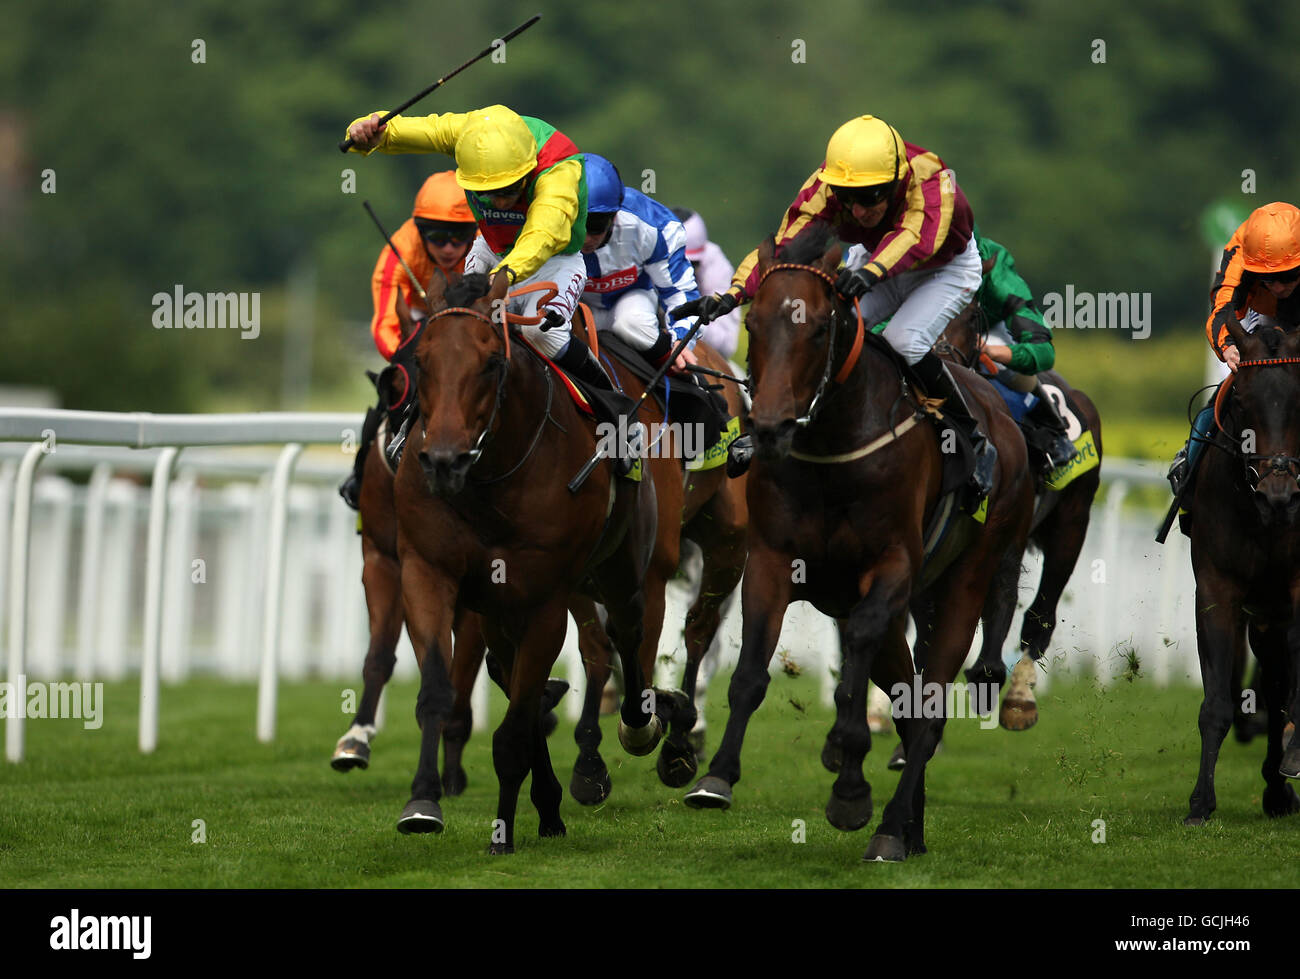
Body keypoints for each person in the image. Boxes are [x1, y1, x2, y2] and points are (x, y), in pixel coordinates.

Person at [685, 114, 992, 497]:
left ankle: (970, 435)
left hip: (944, 268)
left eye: (869, 197)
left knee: (902, 340)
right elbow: (782, 247)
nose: (858, 210)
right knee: (820, 328)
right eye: (848, 199)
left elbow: (918, 237)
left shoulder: (931, 178)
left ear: (896, 182)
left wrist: (871, 271)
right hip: (879, 261)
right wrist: (727, 298)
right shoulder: (824, 187)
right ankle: (780, 425)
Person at [345, 105, 607, 384]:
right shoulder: (470, 134)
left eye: (508, 190)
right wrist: (368, 133)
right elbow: (407, 129)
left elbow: (543, 233)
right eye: (485, 193)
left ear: (527, 168)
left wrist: (503, 275)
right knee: (457, 326)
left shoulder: (559, 168)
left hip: (554, 261)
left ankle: (610, 401)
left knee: (542, 334)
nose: (498, 203)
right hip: (492, 252)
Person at [339, 171, 477, 509]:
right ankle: (361, 476)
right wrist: (411, 357)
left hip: (469, 323)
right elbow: (385, 324)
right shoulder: (399, 249)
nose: (449, 248)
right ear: (419, 230)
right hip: (419, 324)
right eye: (437, 236)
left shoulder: (488, 248)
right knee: (395, 389)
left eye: (459, 237)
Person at [1167, 201, 1300, 498]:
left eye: (1289, 276)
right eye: (1268, 277)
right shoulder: (1241, 248)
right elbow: (1221, 308)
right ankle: (1189, 476)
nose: (1278, 286)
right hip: (1257, 318)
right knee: (1221, 402)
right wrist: (1227, 346)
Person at [579, 154, 700, 374]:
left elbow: (679, 293)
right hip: (576, 308)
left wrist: (681, 341)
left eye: (596, 224)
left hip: (631, 302)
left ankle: (690, 390)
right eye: (577, 223)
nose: (586, 238)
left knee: (631, 323)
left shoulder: (654, 226)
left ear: (615, 215)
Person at [671, 207, 742, 361]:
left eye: (690, 265)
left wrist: (685, 312)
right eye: (673, 265)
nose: (682, 274)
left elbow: (726, 345)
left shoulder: (717, 264)